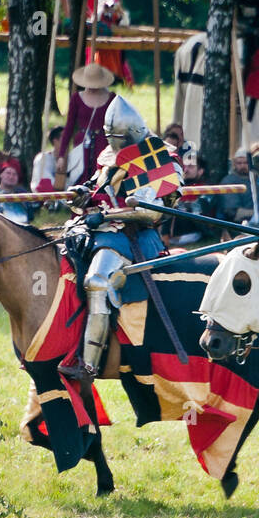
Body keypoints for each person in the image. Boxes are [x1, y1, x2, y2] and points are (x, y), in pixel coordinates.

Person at [57, 94, 177, 384]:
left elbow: (153, 213)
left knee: (97, 281)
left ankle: (88, 365)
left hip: (133, 236)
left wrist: (108, 217)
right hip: (98, 230)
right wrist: (83, 193)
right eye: (111, 138)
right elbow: (101, 187)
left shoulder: (158, 158)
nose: (115, 144)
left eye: (119, 137)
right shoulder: (111, 156)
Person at [56, 63, 115, 189]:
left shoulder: (111, 98)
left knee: (101, 175)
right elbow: (69, 128)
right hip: (82, 144)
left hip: (103, 143)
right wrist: (61, 155)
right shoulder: (77, 98)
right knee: (80, 175)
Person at [86, 0, 132, 86]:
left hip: (113, 29)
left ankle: (119, 80)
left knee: (118, 55)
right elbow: (89, 11)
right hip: (97, 29)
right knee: (94, 55)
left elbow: (118, 11)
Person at [218, 148, 257, 223]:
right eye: (239, 163)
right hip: (239, 225)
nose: (243, 166)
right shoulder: (228, 182)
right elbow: (233, 212)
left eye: (246, 163)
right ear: (234, 164)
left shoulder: (258, 178)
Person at [31, 126, 63, 193]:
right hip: (43, 198)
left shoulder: (70, 159)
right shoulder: (43, 158)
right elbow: (48, 184)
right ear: (55, 141)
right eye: (64, 139)